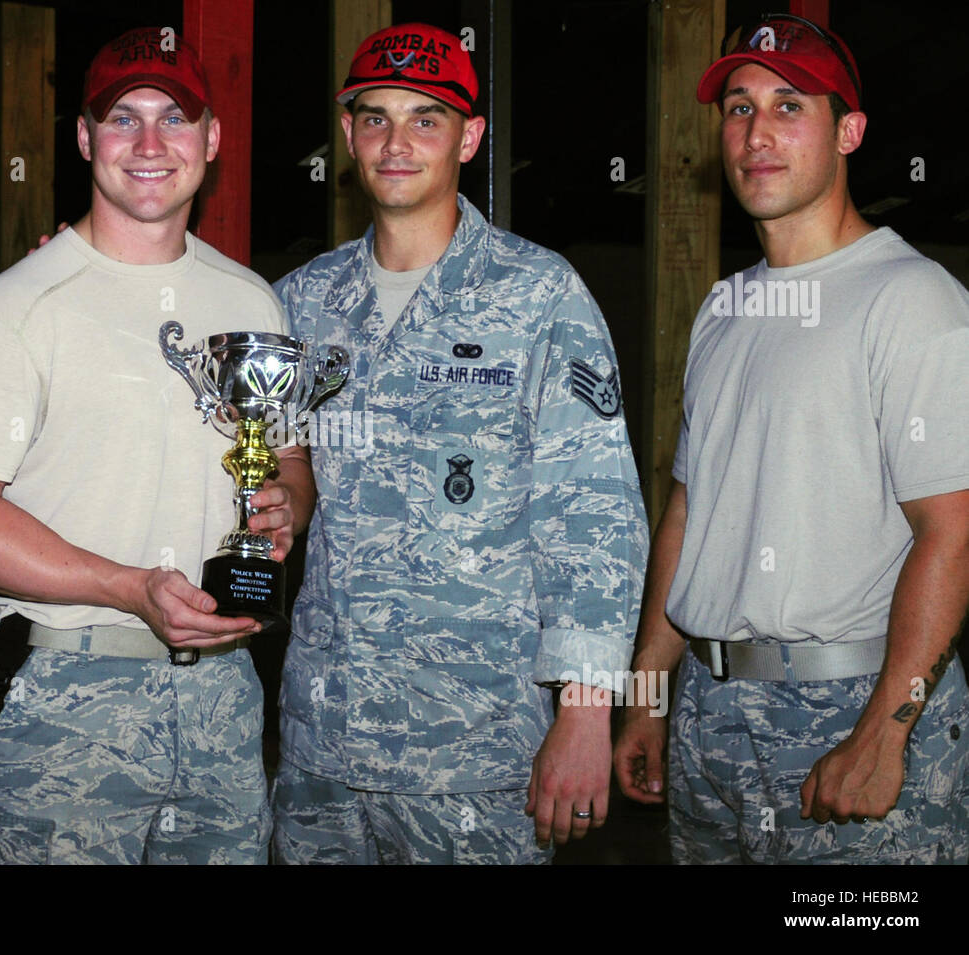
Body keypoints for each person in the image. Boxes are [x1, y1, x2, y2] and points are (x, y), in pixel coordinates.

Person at [270, 22, 648, 864]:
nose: (396, 142)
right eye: (375, 117)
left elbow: (593, 514)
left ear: (470, 139)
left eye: (426, 119)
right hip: (321, 748)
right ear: (348, 133)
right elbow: (269, 459)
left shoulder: (541, 294)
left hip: (475, 751)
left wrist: (586, 713)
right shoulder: (300, 303)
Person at [0, 27, 306, 864]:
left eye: (174, 119)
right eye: (122, 119)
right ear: (83, 139)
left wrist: (285, 508)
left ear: (212, 140)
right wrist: (129, 586)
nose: (149, 144)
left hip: (222, 697)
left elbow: (285, 458)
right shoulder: (14, 311)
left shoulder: (250, 299)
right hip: (62, 702)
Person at [614, 14, 969, 864]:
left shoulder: (912, 298)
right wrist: (649, 691)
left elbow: (951, 529)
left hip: (847, 705)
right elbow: (691, 510)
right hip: (710, 713)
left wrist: (885, 733)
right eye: (738, 108)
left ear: (848, 132)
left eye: (789, 105)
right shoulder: (725, 307)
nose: (756, 133)